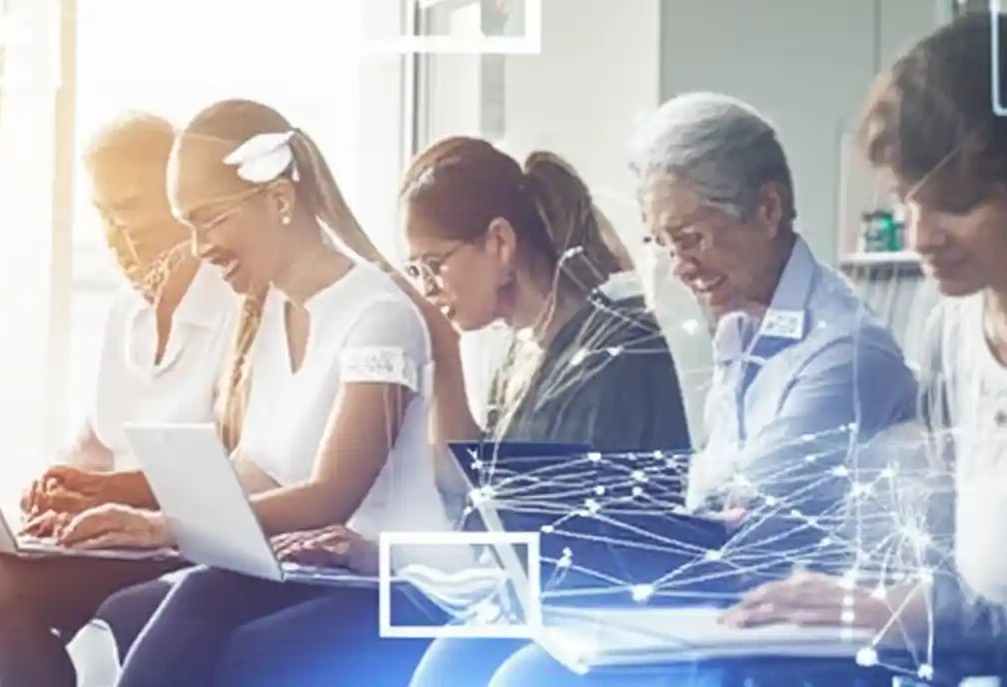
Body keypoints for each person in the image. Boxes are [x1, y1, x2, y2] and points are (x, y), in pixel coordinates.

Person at [206, 136, 695, 687]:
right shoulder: (523, 349)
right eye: (416, 273)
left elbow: (569, 547)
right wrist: (444, 355)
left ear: (499, 242)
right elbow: (468, 495)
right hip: (513, 598)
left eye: (434, 265)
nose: (429, 290)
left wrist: (390, 562)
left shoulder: (611, 356)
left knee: (281, 657)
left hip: (590, 618)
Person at [481, 92, 920, 685]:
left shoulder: (842, 350)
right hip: (718, 617)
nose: (679, 265)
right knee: (466, 660)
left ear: (767, 210)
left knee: (522, 677)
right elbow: (713, 506)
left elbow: (751, 532)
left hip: (796, 647)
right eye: (663, 244)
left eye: (690, 238)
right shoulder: (740, 333)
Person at [58, 97, 462, 686]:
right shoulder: (271, 312)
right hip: (314, 571)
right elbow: (257, 471)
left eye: (210, 220)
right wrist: (144, 509)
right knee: (128, 613)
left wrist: (162, 527)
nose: (198, 247)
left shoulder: (379, 316)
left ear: (278, 201)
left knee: (224, 633)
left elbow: (331, 496)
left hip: (400, 584)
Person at [716, 10, 1007, 685]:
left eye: (955, 205)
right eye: (909, 200)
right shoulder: (954, 323)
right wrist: (883, 608)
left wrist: (917, 615)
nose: (922, 234)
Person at [0, 112, 237, 687]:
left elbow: (229, 471)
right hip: (109, 538)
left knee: (2, 590)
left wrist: (104, 494)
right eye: (103, 212)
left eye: (130, 207)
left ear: (181, 204)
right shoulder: (126, 313)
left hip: (178, 537)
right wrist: (55, 486)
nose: (118, 230)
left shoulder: (235, 309)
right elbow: (93, 445)